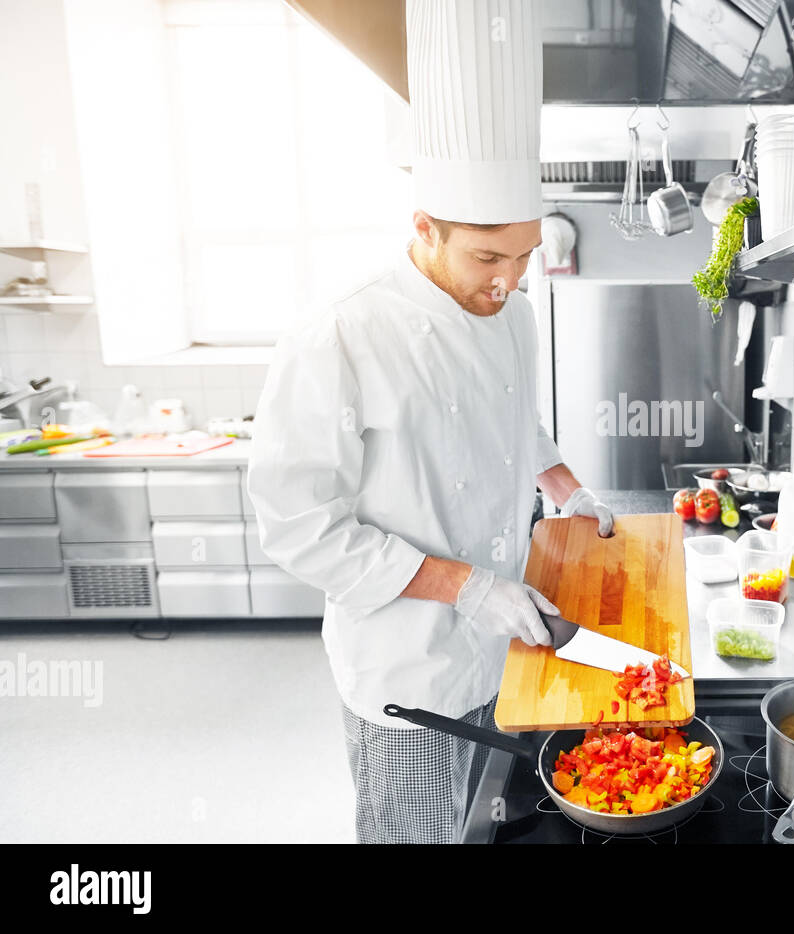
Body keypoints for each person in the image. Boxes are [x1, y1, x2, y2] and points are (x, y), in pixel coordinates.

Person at [246, 0, 613, 843]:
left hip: (501, 642)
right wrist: (465, 586)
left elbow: (512, 419)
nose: (509, 281)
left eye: (523, 257)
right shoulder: (341, 331)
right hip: (405, 663)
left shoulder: (513, 312)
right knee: (413, 835)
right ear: (424, 226)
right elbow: (300, 529)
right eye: (488, 257)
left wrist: (563, 483)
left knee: (482, 828)